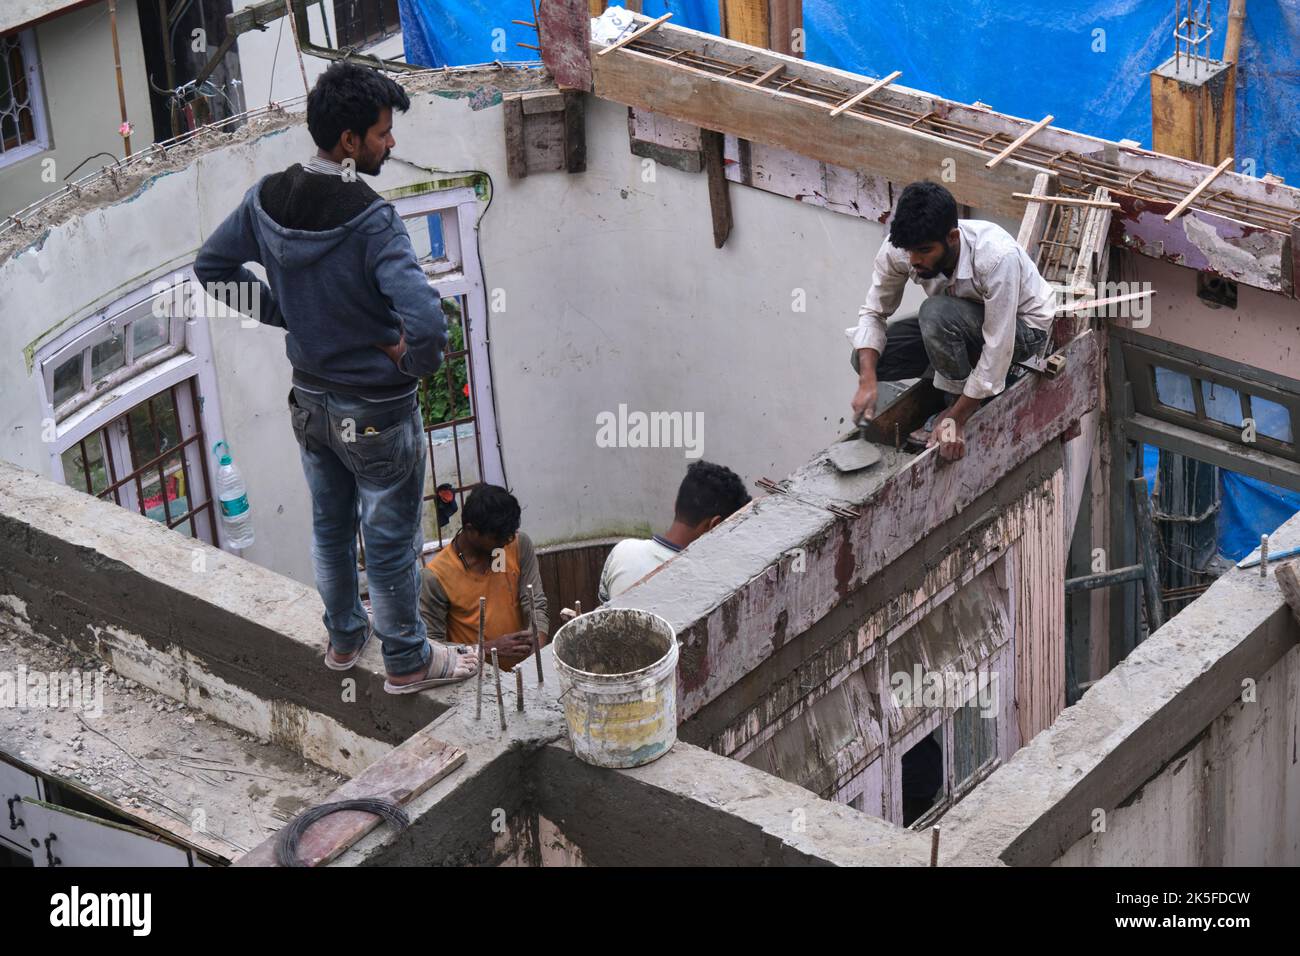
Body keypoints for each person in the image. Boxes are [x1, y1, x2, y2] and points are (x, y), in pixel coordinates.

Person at [194, 61, 477, 693]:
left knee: (330, 525)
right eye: (382, 133)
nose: (391, 143)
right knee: (390, 537)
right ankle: (407, 659)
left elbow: (211, 267)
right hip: (376, 410)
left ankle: (345, 639)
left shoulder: (266, 197)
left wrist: (282, 314)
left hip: (311, 403)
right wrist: (413, 364)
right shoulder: (372, 219)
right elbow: (428, 325)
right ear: (349, 140)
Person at [846, 181, 1055, 462]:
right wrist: (866, 381)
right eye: (909, 251)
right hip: (956, 324)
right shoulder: (900, 250)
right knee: (867, 358)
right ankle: (961, 379)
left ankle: (956, 404)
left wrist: (956, 417)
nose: (915, 260)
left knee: (935, 314)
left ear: (953, 237)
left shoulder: (995, 257)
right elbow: (873, 313)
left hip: (1022, 328)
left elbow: (998, 348)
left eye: (924, 250)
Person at [419, 485, 549, 671]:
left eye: (510, 534)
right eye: (498, 537)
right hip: (474, 682)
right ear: (471, 530)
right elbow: (433, 649)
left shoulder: (516, 544)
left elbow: (537, 605)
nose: (507, 541)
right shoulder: (435, 577)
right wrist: (489, 649)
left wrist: (534, 656)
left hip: (523, 673)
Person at [598, 461, 751, 603]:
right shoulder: (711, 585)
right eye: (730, 531)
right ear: (714, 526)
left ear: (676, 504)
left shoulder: (622, 553)